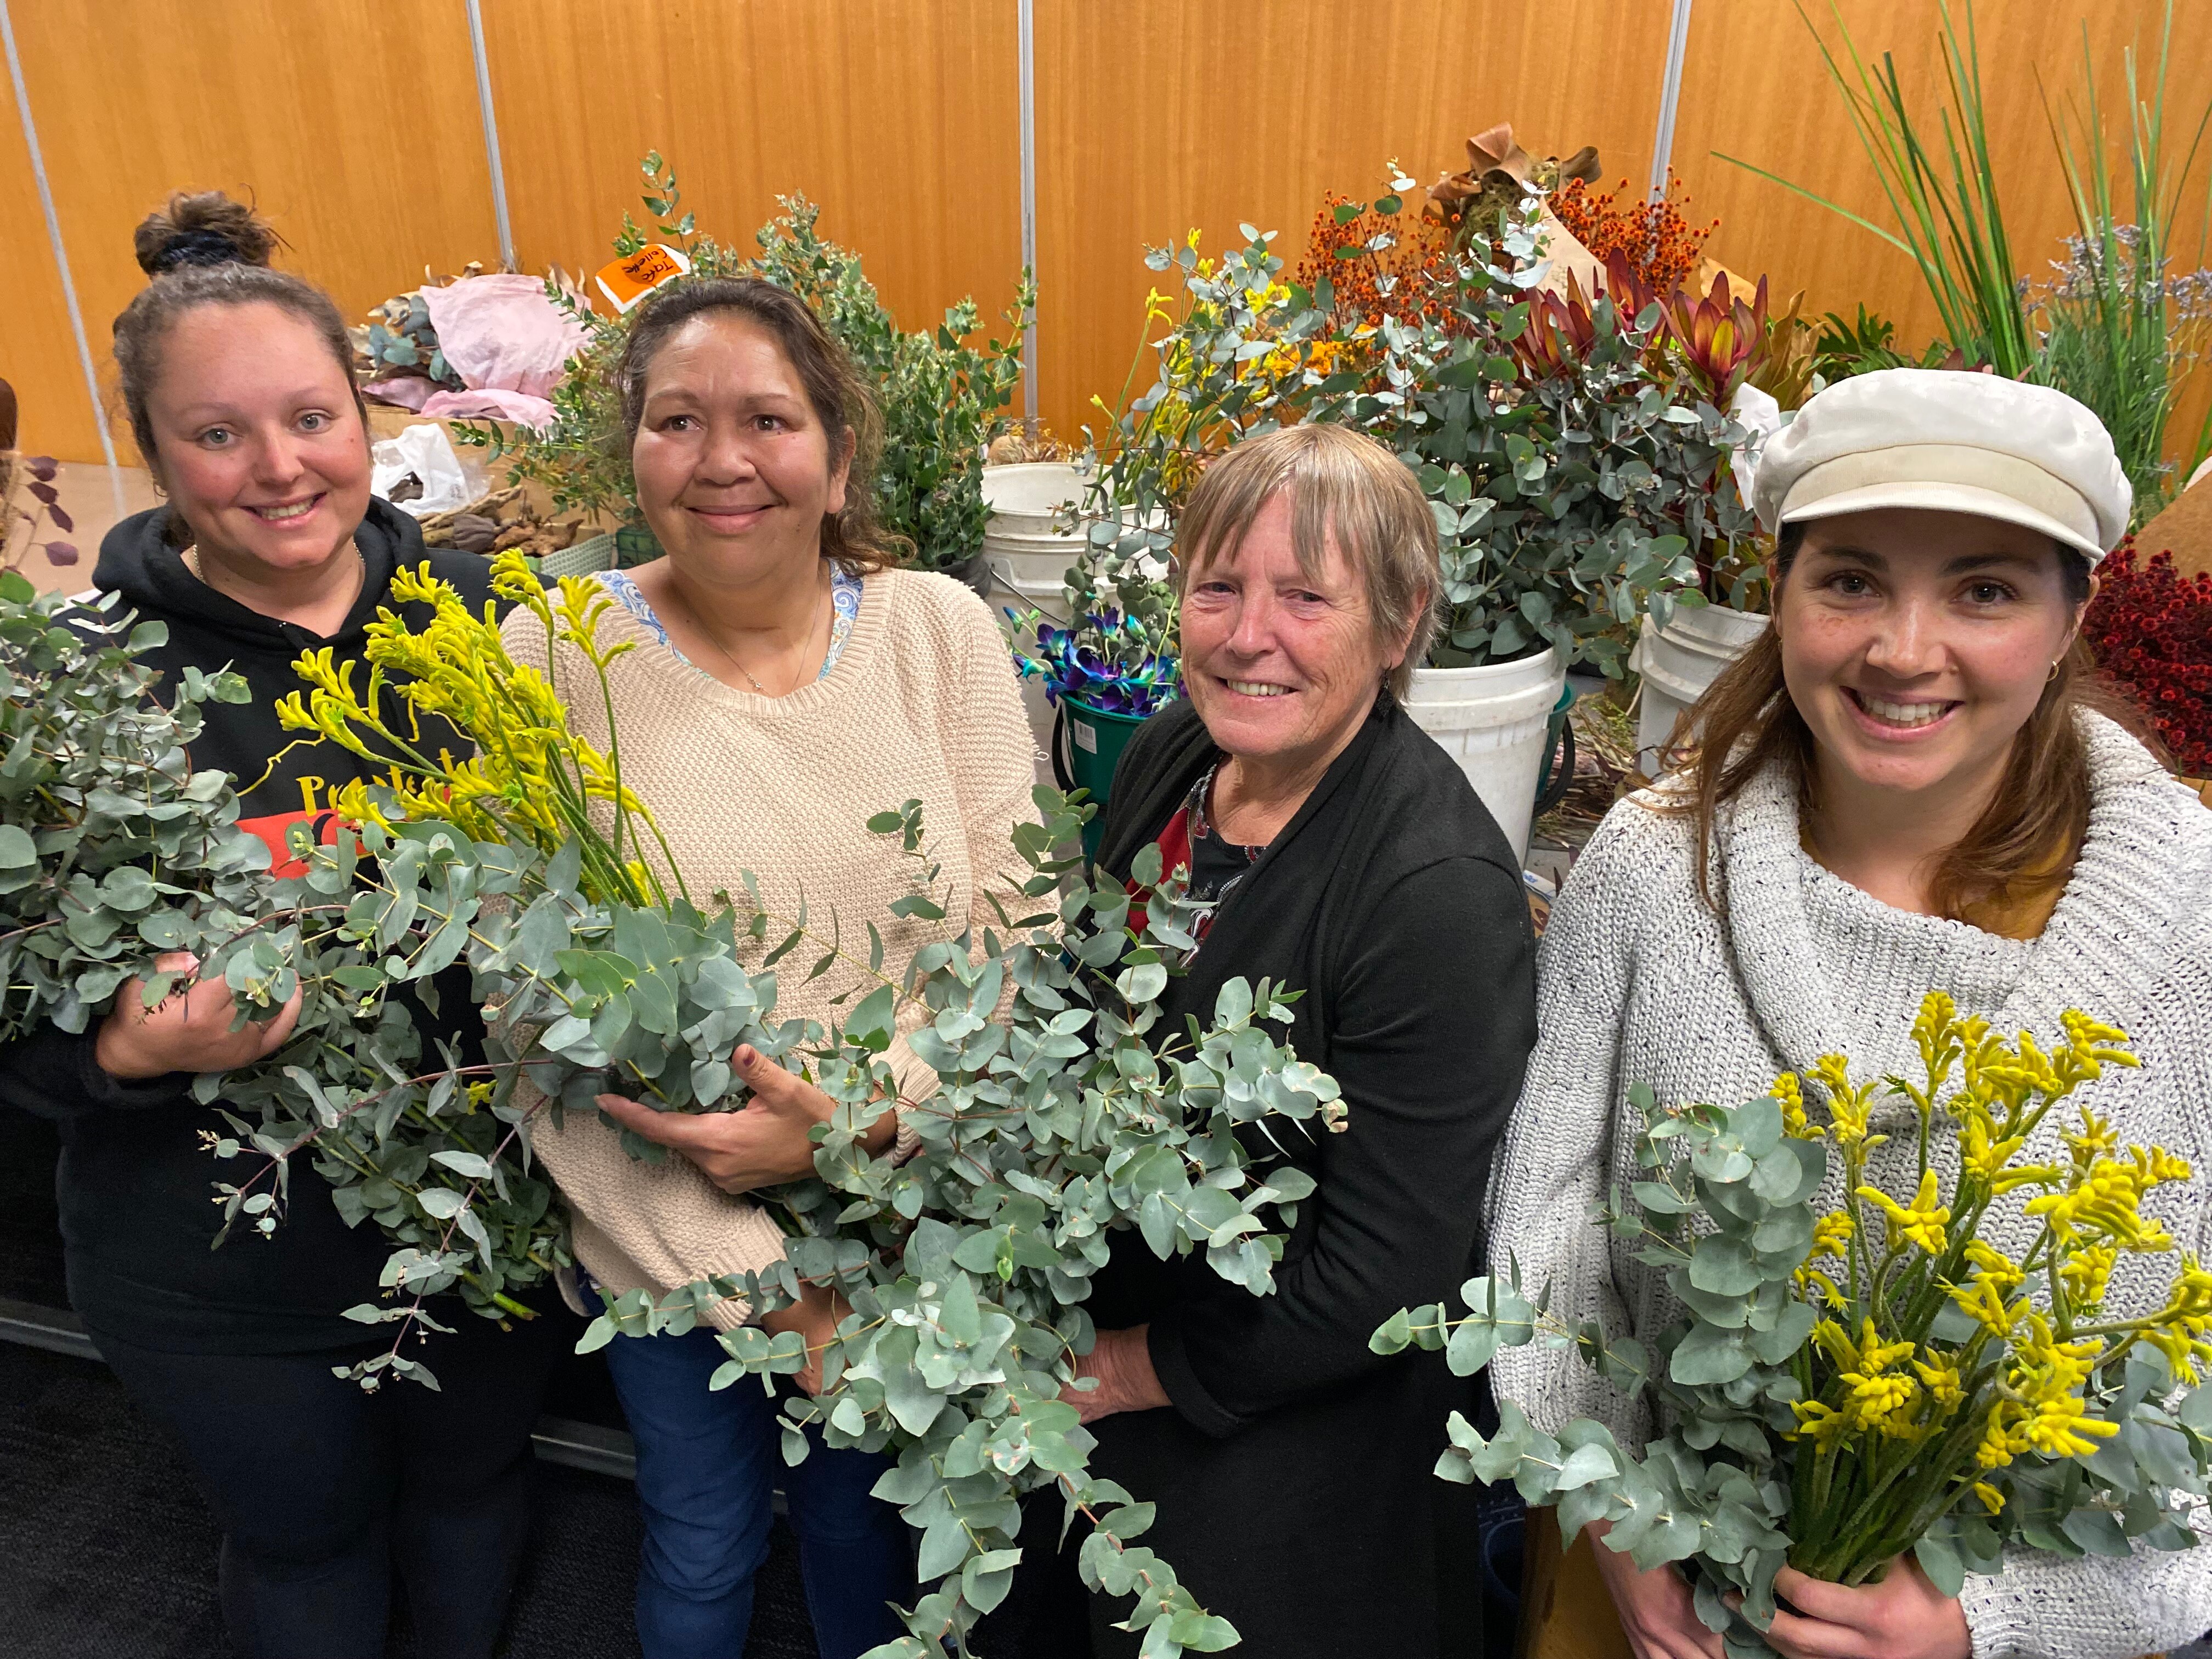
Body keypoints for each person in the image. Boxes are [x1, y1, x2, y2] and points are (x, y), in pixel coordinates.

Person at [1488, 368, 2212, 1659]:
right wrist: (1614, 1516)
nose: (1903, 649)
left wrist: (1996, 1618)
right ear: (1782, 594)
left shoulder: (2191, 928)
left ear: (2070, 615)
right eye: (1853, 579)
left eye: (1985, 589)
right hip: (1658, 1617)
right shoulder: (1658, 872)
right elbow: (1549, 1227)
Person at [0, 193, 563, 1659]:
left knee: (471, 1512)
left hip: (484, 1225)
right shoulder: (78, 692)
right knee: (306, 1556)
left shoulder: (498, 624)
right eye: (217, 434)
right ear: (155, 450)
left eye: (311, 416)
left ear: (365, 415)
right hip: (219, 1276)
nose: (278, 469)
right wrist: (118, 1042)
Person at [501, 275, 1036, 1659]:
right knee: (702, 1533)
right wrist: (761, 1281)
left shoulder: (939, 635)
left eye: (768, 419)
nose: (725, 460)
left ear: (840, 454)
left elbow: (1017, 945)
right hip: (666, 1241)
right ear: (630, 453)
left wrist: (869, 1127)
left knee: (872, 1528)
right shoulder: (553, 656)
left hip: (906, 1212)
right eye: (678, 420)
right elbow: (533, 1029)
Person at [1004, 423, 1538, 1657]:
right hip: (1123, 1306)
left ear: (1399, 627)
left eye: (1307, 597)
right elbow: (1099, 1010)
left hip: (1296, 1391)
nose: (1250, 635)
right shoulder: (1178, 756)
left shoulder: (1435, 894)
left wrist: (1119, 1370)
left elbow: (1379, 1279)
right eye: (1218, 588)